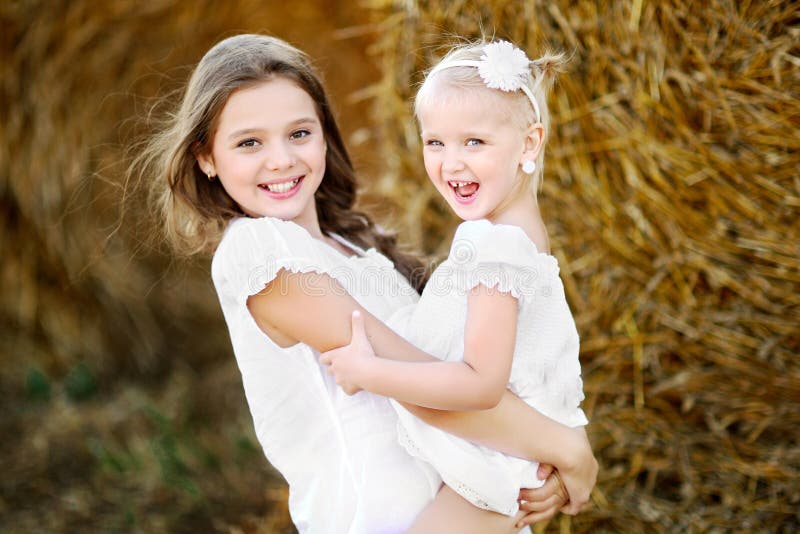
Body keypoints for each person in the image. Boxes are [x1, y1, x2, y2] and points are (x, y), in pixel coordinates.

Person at [137, 33, 597, 533]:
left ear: (324, 135)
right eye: (249, 142)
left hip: (461, 502)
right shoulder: (259, 254)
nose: (281, 160)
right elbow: (426, 385)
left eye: (299, 133)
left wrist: (528, 473)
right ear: (205, 157)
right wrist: (566, 448)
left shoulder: (356, 248)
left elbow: (460, 373)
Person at [321, 40, 587, 531]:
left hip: (491, 467)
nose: (451, 162)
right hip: (505, 457)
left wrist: (369, 371)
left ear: (529, 144)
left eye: (474, 142)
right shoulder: (517, 235)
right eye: (434, 142)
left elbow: (480, 383)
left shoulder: (498, 248)